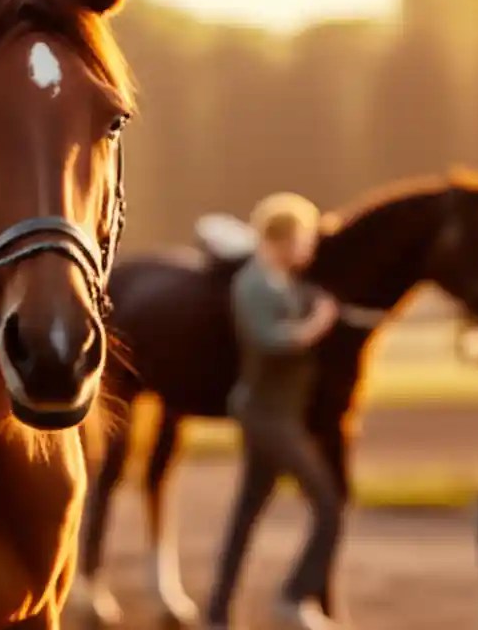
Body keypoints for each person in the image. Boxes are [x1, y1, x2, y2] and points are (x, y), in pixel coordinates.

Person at [205, 192, 344, 630]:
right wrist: (319, 322)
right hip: (266, 417)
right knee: (328, 505)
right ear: (283, 239)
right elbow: (271, 340)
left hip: (280, 413)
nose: (310, 250)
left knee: (247, 512)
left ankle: (216, 613)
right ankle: (293, 596)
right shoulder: (252, 284)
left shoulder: (287, 282)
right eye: (304, 240)